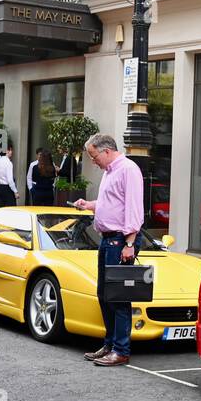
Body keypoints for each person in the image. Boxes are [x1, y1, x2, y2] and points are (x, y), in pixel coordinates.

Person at [73, 134, 143, 368]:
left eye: (94, 156)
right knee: (104, 295)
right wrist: (89, 205)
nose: (93, 162)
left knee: (118, 297)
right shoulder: (110, 172)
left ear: (106, 151)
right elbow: (112, 202)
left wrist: (130, 244)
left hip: (120, 240)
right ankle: (110, 344)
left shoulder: (128, 169)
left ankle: (121, 350)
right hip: (108, 240)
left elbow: (134, 208)